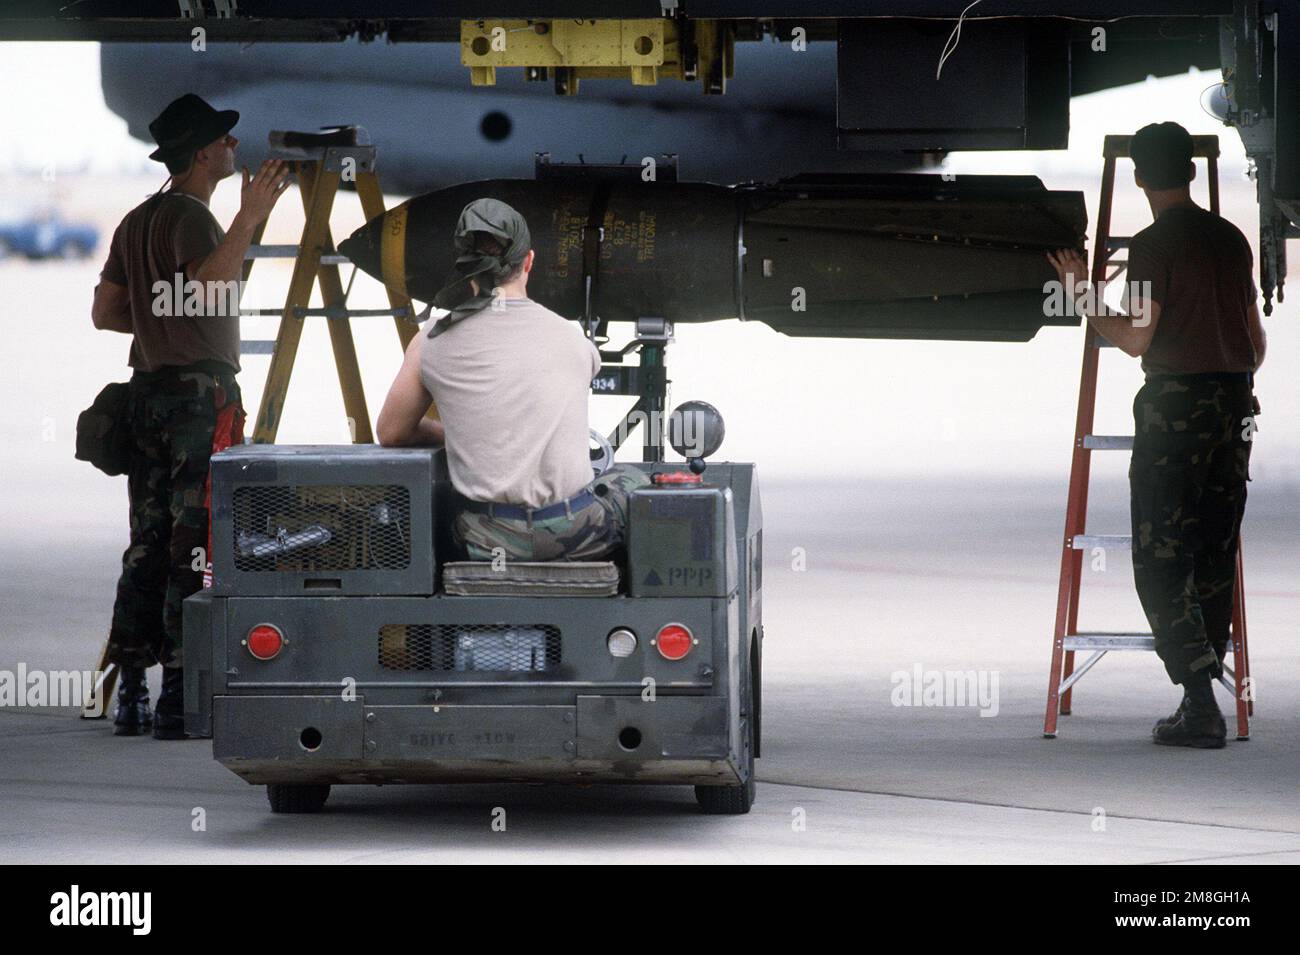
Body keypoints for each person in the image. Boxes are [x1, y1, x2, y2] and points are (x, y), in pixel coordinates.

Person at [1047, 121, 1266, 749]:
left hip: (1176, 408)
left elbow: (1138, 338)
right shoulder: (1231, 240)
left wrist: (1083, 296)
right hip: (1234, 404)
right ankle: (1206, 691)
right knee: (1214, 547)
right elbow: (1256, 344)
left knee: (1162, 551)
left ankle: (1200, 703)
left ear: (1139, 177)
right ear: (1192, 174)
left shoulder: (1150, 247)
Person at [91, 94, 289, 738]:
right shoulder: (194, 219)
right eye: (225, 142)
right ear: (203, 154)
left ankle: (131, 698)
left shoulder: (137, 220)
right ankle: (178, 694)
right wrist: (251, 218)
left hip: (145, 394)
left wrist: (158, 317)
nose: (235, 148)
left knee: (144, 545)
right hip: (196, 404)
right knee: (192, 545)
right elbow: (210, 285)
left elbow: (107, 312)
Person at [376, 197, 648, 561]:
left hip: (487, 540)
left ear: (463, 264)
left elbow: (392, 432)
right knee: (633, 482)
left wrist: (454, 437)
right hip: (573, 534)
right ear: (529, 261)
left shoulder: (430, 342)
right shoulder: (572, 341)